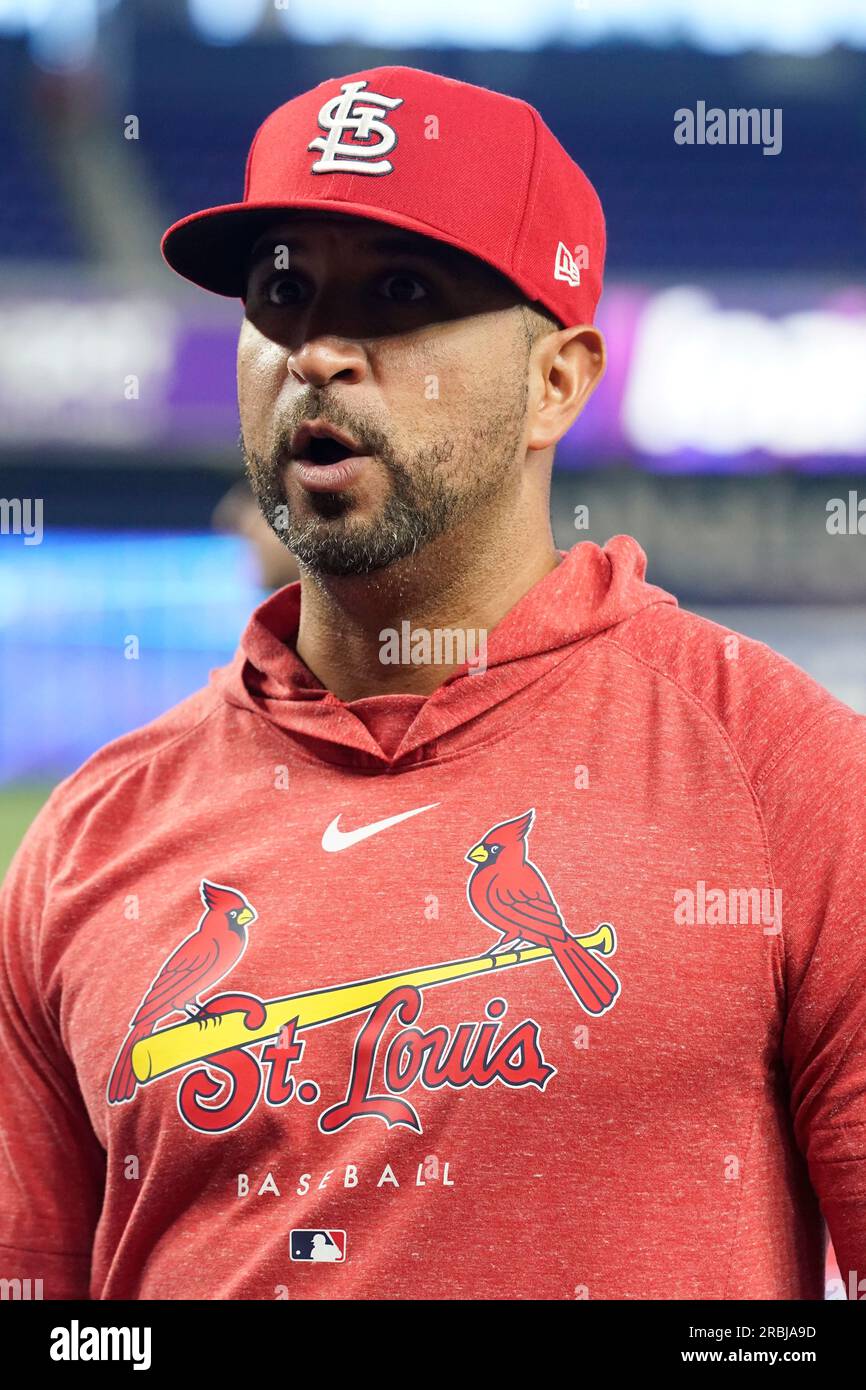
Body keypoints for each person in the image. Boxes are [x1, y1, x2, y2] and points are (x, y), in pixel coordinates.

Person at [0, 64, 863, 1302]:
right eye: (281, 291)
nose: (321, 352)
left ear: (556, 380)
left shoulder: (788, 775)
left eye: (400, 294)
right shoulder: (88, 838)